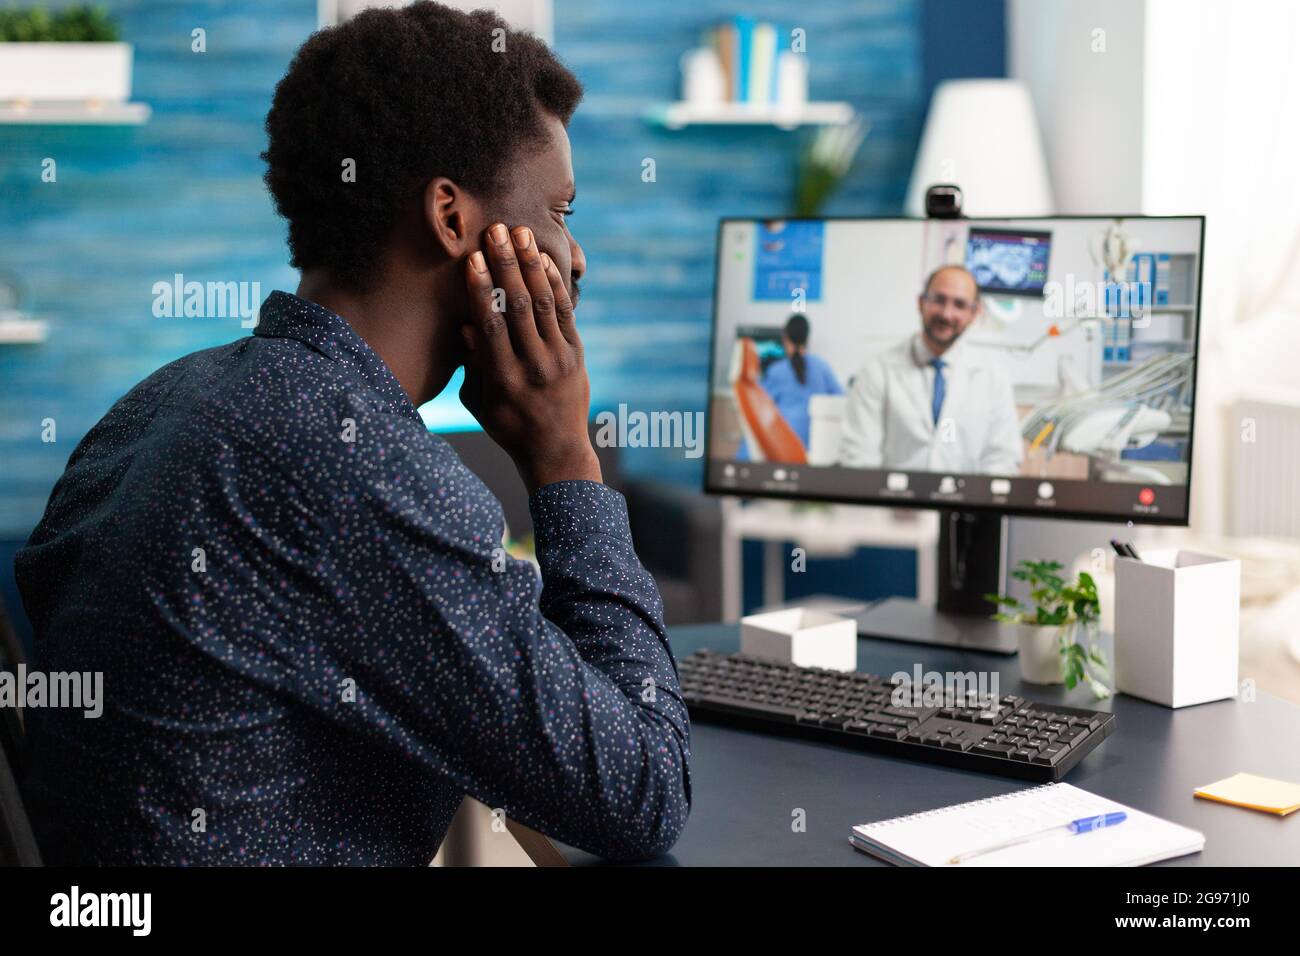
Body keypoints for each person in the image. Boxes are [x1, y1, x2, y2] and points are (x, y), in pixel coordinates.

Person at [15, 2, 689, 866]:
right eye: (560, 212)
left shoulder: (160, 401)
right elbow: (644, 794)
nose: (577, 256)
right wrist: (566, 457)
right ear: (452, 218)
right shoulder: (353, 461)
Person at [837, 264, 1023, 475]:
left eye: (959, 305)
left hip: (966, 505)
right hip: (892, 504)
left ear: (974, 313)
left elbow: (1003, 459)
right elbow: (859, 456)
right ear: (921, 303)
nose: (946, 313)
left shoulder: (993, 378)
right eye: (939, 300)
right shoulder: (877, 371)